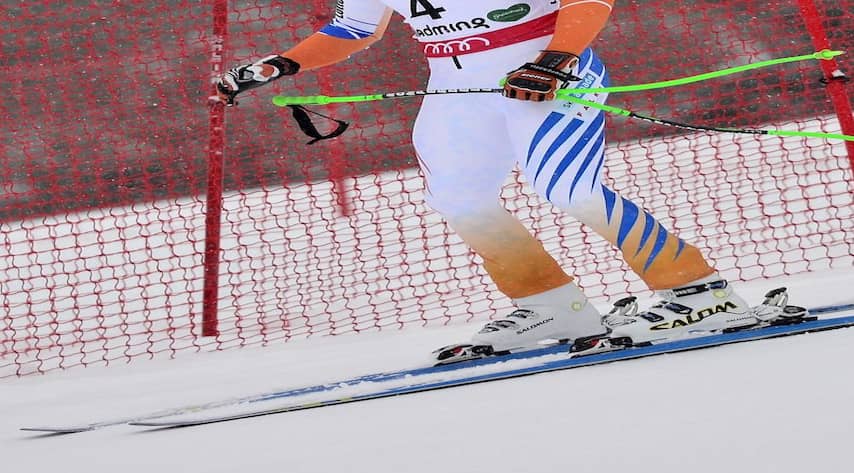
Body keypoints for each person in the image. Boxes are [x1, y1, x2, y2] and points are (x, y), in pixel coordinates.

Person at [215, 0, 765, 361]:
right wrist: (279, 64)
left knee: (567, 189)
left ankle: (700, 293)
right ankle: (553, 306)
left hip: (547, 73)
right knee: (459, 199)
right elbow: (352, 28)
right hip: (455, 85)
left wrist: (555, 60)